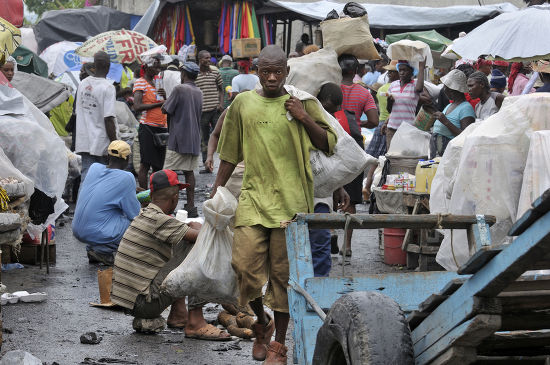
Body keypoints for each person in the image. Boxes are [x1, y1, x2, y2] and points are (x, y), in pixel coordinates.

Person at [213, 45, 337, 364]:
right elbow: (229, 153)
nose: (271, 77)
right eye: (265, 71)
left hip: (291, 204)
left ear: (286, 72)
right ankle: (262, 323)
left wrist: (303, 117)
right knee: (243, 267)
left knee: (282, 278)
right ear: (256, 71)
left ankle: (278, 344)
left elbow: (327, 144)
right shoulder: (242, 104)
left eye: (277, 71)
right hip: (254, 198)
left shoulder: (302, 103)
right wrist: (215, 190)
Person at [111, 169, 231, 340]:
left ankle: (179, 315)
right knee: (197, 249)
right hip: (144, 304)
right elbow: (203, 238)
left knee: (181, 243)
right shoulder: (161, 220)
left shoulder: (145, 214)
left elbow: (182, 230)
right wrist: (201, 225)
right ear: (175, 198)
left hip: (128, 301)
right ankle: (195, 322)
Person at [72, 140, 140, 265]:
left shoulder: (94, 168)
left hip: (77, 229)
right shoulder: (128, 177)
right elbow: (134, 214)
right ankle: (103, 251)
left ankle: (93, 249)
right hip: (96, 231)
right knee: (137, 224)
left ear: (108, 157)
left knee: (106, 213)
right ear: (127, 159)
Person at [339, 54, 378, 257]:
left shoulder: (328, 88)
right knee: (352, 199)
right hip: (354, 146)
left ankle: (327, 234)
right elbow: (374, 120)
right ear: (357, 72)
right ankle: (346, 244)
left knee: (326, 194)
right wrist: (355, 123)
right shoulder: (364, 93)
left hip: (328, 142)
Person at [162, 62, 202, 218]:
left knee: (168, 173)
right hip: (194, 139)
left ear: (183, 73)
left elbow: (166, 109)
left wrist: (165, 99)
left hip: (178, 138)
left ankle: (166, 207)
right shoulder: (198, 91)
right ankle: (191, 207)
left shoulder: (179, 89)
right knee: (189, 172)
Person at [75, 51, 117, 181]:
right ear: (108, 66)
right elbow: (108, 119)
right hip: (101, 142)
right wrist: (114, 143)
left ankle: (83, 201)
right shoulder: (108, 87)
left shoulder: (83, 84)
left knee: (86, 176)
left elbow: (77, 111)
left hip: (84, 140)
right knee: (102, 178)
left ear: (94, 65)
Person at [364, 60, 400, 198]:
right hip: (392, 125)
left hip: (381, 124)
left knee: (375, 159)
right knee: (390, 160)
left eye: (391, 71)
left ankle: (367, 186)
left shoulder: (381, 89)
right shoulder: (396, 89)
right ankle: (384, 189)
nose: (390, 73)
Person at [133, 55, 168, 189]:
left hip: (161, 127)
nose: (159, 69)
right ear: (147, 67)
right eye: (156, 66)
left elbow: (163, 104)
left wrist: (165, 97)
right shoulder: (140, 82)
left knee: (158, 166)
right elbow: (137, 106)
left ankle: (156, 195)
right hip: (148, 128)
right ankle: (145, 197)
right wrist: (159, 103)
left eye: (160, 66)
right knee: (146, 163)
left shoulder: (158, 83)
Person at [430, 69, 476, 158]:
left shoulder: (466, 108)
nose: (444, 90)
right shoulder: (450, 105)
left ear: (453, 89)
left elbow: (465, 136)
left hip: (450, 156)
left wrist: (446, 122)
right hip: (438, 155)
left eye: (446, 87)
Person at [386, 58, 427, 148]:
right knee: (392, 157)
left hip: (408, 130)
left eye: (405, 70)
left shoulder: (415, 85)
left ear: (412, 72)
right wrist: (390, 101)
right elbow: (389, 110)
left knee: (405, 156)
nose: (401, 73)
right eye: (400, 70)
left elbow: (419, 89)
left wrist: (421, 67)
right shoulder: (393, 85)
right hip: (392, 128)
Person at [195, 50, 223, 172]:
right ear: (200, 59)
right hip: (202, 112)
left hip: (215, 110)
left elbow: (221, 89)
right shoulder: (195, 75)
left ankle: (224, 163)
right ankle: (207, 164)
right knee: (204, 139)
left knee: (221, 136)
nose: (208, 60)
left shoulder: (215, 73)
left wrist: (221, 104)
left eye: (209, 58)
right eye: (206, 58)